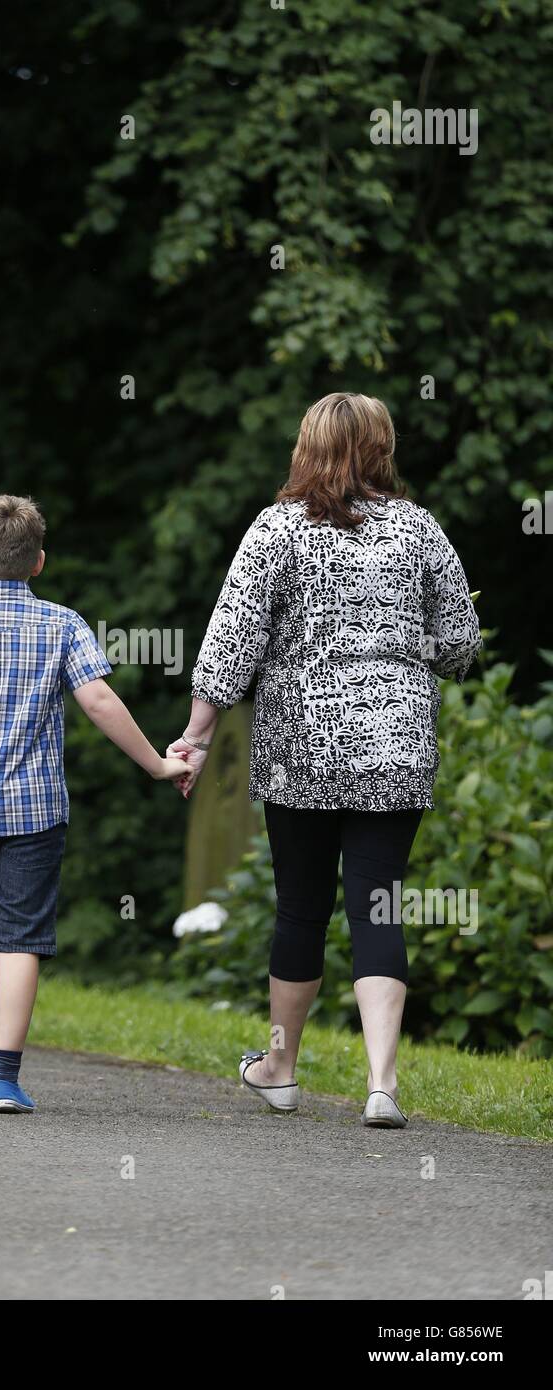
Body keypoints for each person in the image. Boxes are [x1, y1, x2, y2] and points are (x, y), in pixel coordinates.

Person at [168, 393, 481, 1128]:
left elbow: (232, 640)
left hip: (300, 745)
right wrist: (401, 653)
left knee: (300, 908)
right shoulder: (419, 529)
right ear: (381, 446)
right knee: (379, 905)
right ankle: (382, 1084)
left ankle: (280, 1070)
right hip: (396, 747)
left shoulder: (277, 528)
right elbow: (462, 643)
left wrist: (197, 737)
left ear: (307, 447)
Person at [0, 494, 187, 1113]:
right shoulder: (62, 624)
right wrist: (158, 764)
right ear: (39, 562)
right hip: (35, 812)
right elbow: (100, 701)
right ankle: (4, 1078)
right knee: (20, 940)